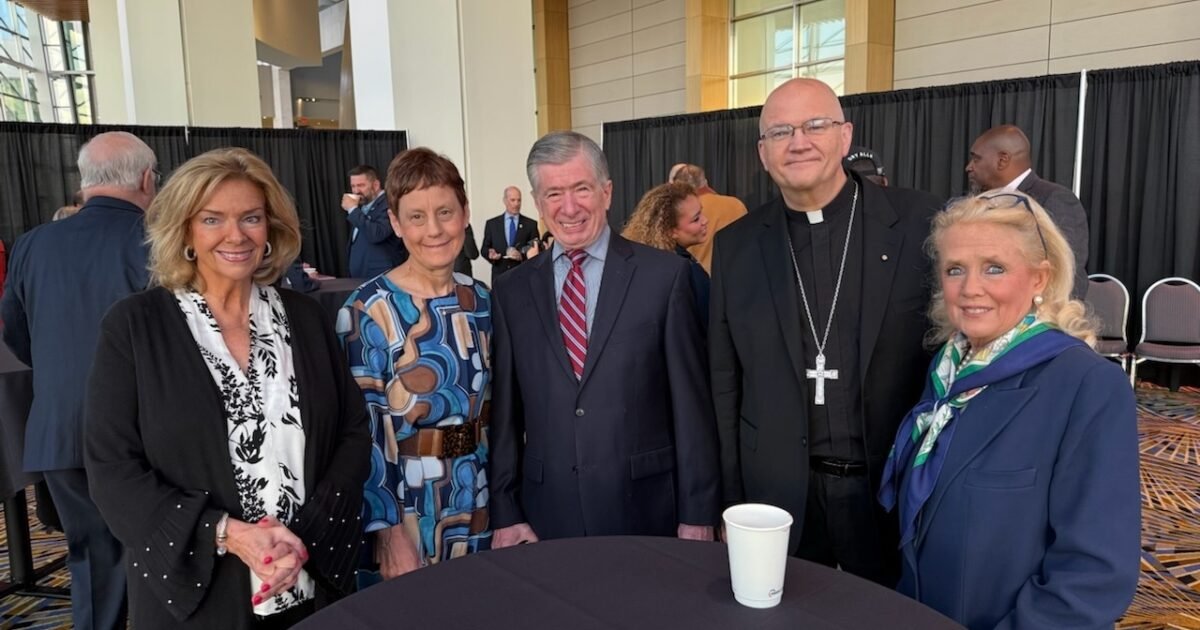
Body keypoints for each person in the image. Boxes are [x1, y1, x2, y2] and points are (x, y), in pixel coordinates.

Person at [85, 148, 371, 628]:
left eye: (251, 218)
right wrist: (226, 533)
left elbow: (353, 432)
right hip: (198, 594)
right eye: (213, 219)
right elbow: (111, 466)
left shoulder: (305, 318)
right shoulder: (135, 327)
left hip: (307, 574)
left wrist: (302, 537)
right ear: (186, 231)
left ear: (270, 228)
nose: (236, 235)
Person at [709, 78, 941, 586]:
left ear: (844, 135)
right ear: (763, 153)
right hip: (779, 493)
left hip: (888, 484)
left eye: (816, 125)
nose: (799, 141)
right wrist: (731, 501)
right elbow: (725, 383)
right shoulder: (736, 247)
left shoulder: (920, 222)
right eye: (780, 132)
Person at [878, 192, 1139, 628]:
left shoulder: (1087, 385)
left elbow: (1093, 576)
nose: (970, 288)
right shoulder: (947, 371)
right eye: (954, 270)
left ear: (1039, 279)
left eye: (994, 268)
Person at [489, 131, 719, 547]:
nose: (570, 207)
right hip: (547, 516)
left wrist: (698, 512)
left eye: (581, 188)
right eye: (554, 193)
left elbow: (692, 408)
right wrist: (505, 511)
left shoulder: (665, 278)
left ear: (607, 192)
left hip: (647, 511)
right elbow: (506, 416)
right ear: (539, 204)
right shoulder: (511, 292)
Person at [1, 131, 159, 630]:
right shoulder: (157, 241)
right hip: (147, 434)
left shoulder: (30, 244)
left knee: (93, 563)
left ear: (84, 181)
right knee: (173, 556)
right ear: (148, 180)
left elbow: (17, 334)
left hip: (60, 432)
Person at [338, 148, 492, 583]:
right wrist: (388, 534)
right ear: (395, 223)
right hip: (409, 509)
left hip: (480, 498)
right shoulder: (367, 311)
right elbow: (365, 433)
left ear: (465, 214)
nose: (435, 230)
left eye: (445, 211)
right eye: (417, 216)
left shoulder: (480, 299)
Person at [965, 124, 1089, 299]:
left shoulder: (1054, 199)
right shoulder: (981, 203)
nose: (969, 167)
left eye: (976, 159)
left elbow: (1066, 273)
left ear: (1002, 160)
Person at [621, 181, 710, 331]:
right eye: (696, 219)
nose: (705, 220)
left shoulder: (641, 263)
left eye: (701, 212)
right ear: (670, 231)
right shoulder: (684, 271)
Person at [669, 164, 748, 273]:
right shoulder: (736, 205)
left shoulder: (679, 211)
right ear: (704, 181)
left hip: (693, 279)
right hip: (734, 277)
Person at [343, 164, 408, 278]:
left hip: (382, 275)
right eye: (353, 186)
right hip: (362, 276)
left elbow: (377, 234)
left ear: (376, 185)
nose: (356, 191)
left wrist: (353, 210)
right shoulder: (363, 206)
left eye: (361, 185)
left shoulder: (389, 203)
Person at [481, 186, 539, 278]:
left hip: (522, 276)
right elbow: (484, 249)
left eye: (519, 200)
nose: (516, 204)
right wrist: (491, 254)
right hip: (500, 277)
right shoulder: (492, 224)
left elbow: (535, 249)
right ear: (504, 201)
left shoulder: (531, 224)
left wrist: (521, 256)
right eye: (513, 200)